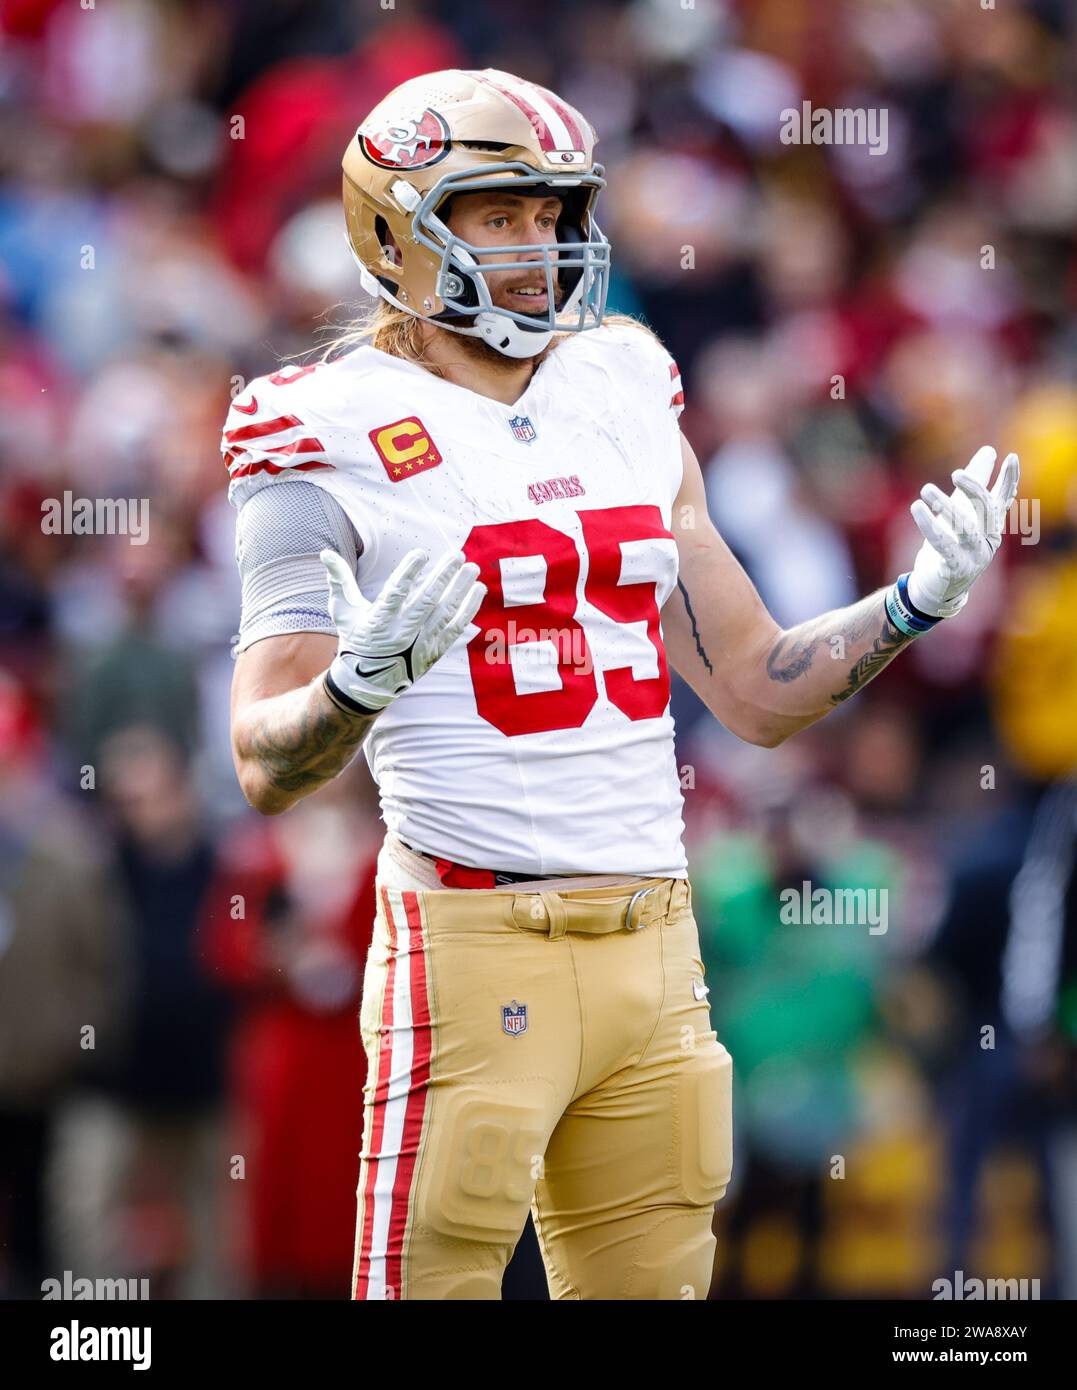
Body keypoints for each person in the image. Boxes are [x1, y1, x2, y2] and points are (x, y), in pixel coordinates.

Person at [222, 68, 1019, 1300]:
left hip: (657, 938)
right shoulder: (318, 425)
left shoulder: (623, 384)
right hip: (472, 942)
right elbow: (263, 760)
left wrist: (910, 603)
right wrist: (357, 689)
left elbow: (755, 686)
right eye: (497, 212)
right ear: (395, 228)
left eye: (551, 213)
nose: (537, 246)